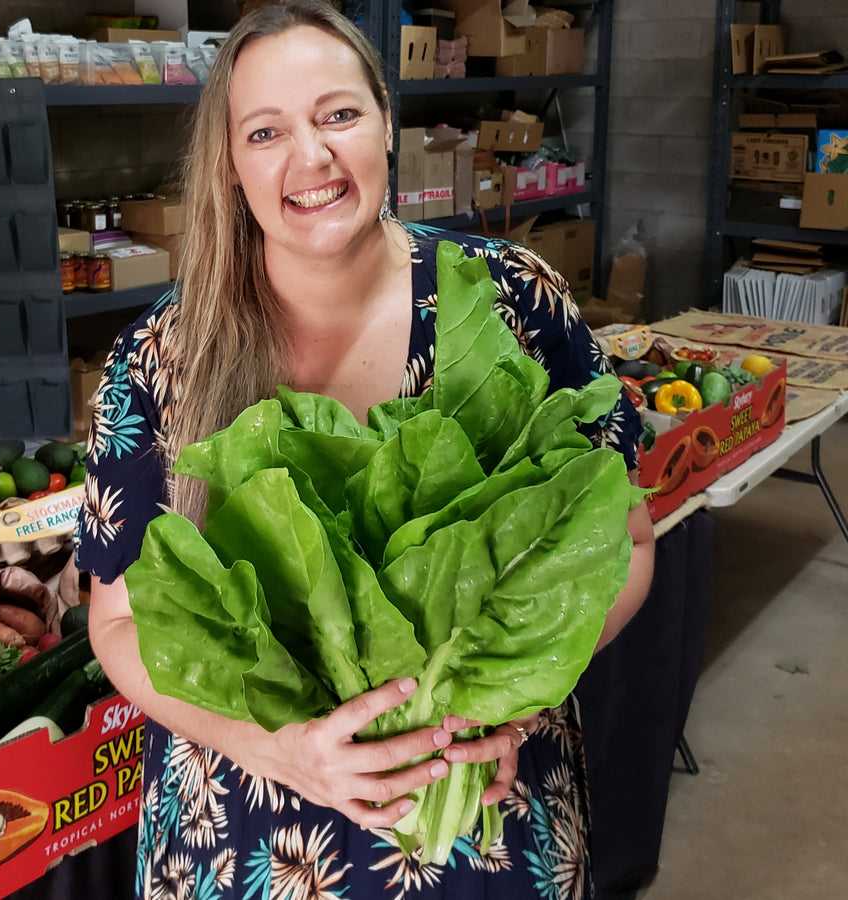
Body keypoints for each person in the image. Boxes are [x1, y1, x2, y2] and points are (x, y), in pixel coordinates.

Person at [75, 1, 655, 897]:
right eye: (266, 131)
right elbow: (117, 621)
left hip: (487, 828)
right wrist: (279, 749)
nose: (311, 158)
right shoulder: (164, 358)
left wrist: (519, 695)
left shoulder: (511, 302)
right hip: (246, 835)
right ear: (231, 165)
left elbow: (630, 540)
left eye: (338, 115)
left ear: (389, 120)